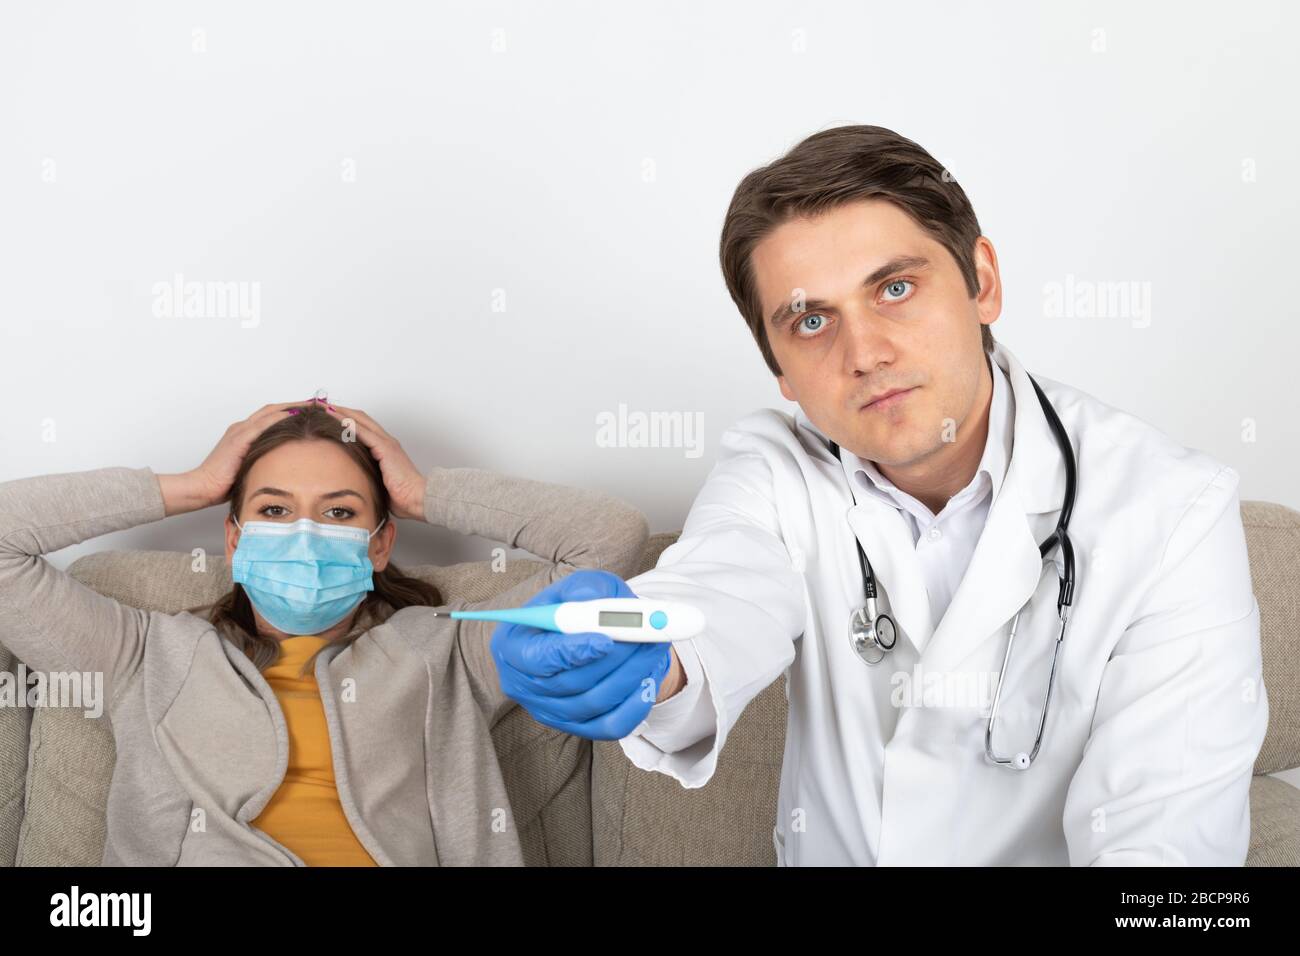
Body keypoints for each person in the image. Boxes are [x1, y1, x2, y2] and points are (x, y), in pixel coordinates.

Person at [492, 125, 1270, 865]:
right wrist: (649, 656)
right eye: (810, 319)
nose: (864, 352)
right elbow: (721, 593)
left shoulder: (1172, 513)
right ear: (782, 375)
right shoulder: (775, 470)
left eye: (895, 287)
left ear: (982, 283)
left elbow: (1164, 856)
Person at [0, 398, 648, 865]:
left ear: (379, 543)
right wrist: (191, 486)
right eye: (274, 509)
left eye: (339, 512)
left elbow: (608, 538)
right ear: (234, 538)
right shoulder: (141, 655)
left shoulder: (450, 651)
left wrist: (423, 493)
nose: (304, 534)